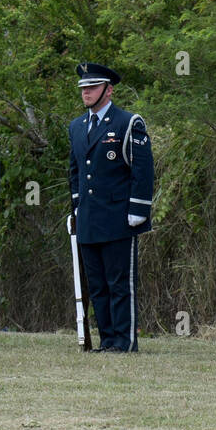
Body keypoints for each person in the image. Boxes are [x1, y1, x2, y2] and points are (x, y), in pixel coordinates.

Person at [68, 63, 154, 352]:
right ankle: (107, 339)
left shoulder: (128, 123)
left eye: (92, 87)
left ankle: (124, 340)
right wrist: (77, 206)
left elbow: (142, 170)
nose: (86, 93)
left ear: (109, 90)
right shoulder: (77, 126)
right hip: (90, 217)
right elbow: (75, 171)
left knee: (120, 283)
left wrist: (138, 209)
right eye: (83, 88)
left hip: (119, 217)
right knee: (97, 284)